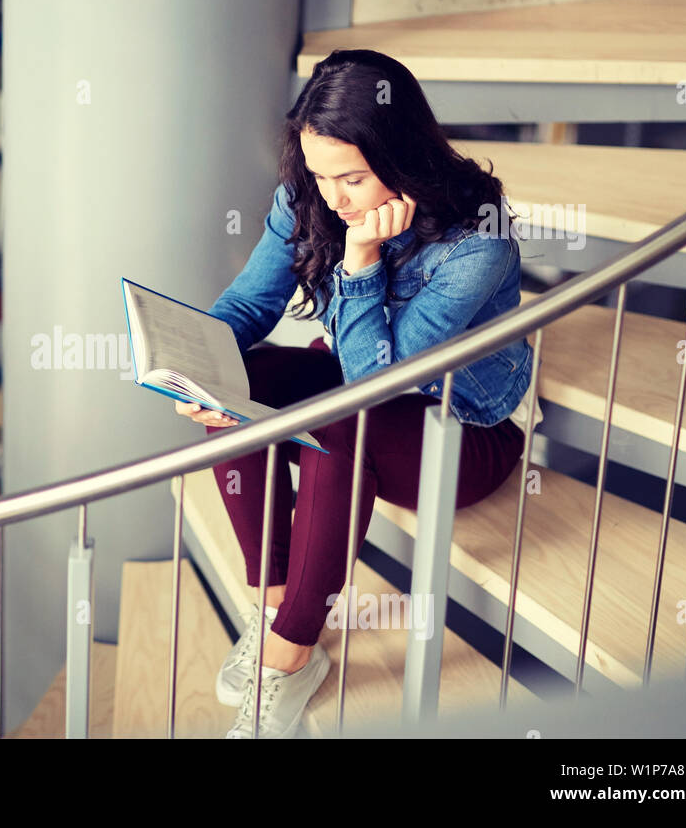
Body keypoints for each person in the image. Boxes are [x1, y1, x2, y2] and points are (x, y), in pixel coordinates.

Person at [175, 49, 541, 738]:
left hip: (463, 425)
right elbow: (251, 303)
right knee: (237, 381)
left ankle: (291, 656)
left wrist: (361, 262)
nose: (334, 197)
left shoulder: (476, 242)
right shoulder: (310, 194)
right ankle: (277, 602)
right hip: (361, 380)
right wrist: (197, 361)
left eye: (353, 178)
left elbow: (379, 378)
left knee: (343, 424)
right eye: (319, 174)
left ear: (402, 159)